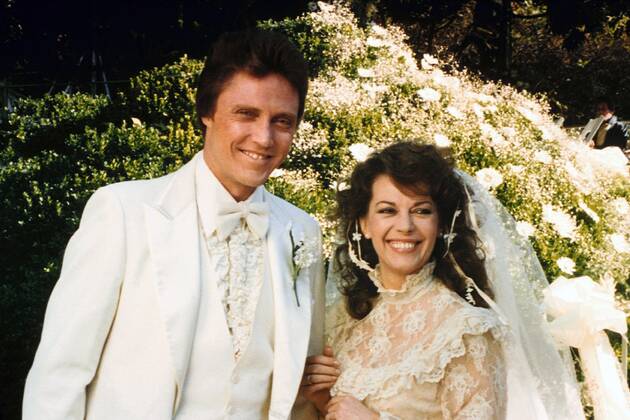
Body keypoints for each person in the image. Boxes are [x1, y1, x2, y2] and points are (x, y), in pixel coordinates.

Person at [23, 29, 324, 420]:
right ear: (207, 112)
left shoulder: (302, 232)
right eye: (246, 114)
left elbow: (300, 389)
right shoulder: (122, 212)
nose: (264, 138)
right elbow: (59, 377)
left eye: (282, 121)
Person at [301, 142, 585, 419]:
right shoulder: (342, 318)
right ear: (364, 224)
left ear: (440, 225)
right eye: (388, 210)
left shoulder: (467, 332)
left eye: (421, 211)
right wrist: (323, 400)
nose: (405, 226)